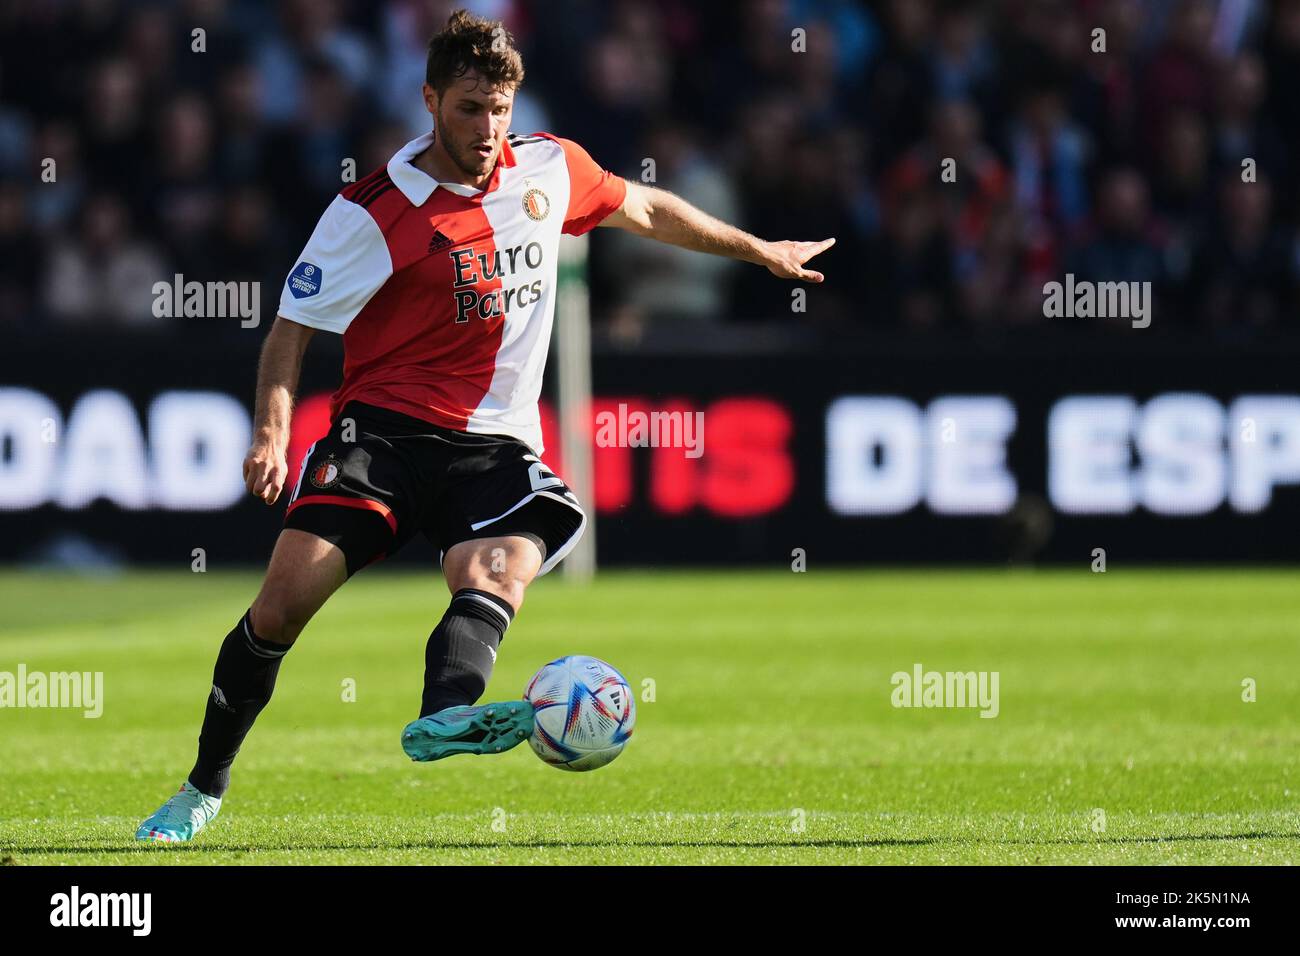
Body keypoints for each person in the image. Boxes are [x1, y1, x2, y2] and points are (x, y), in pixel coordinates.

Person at [135, 8, 833, 844]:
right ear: (430, 101)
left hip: (497, 445)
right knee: (280, 611)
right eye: (469, 109)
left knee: (498, 569)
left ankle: (445, 716)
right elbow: (292, 328)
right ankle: (202, 787)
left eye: (499, 108)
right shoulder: (373, 211)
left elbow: (644, 209)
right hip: (383, 438)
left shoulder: (550, 167)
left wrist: (760, 250)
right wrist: (270, 434)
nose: (488, 127)